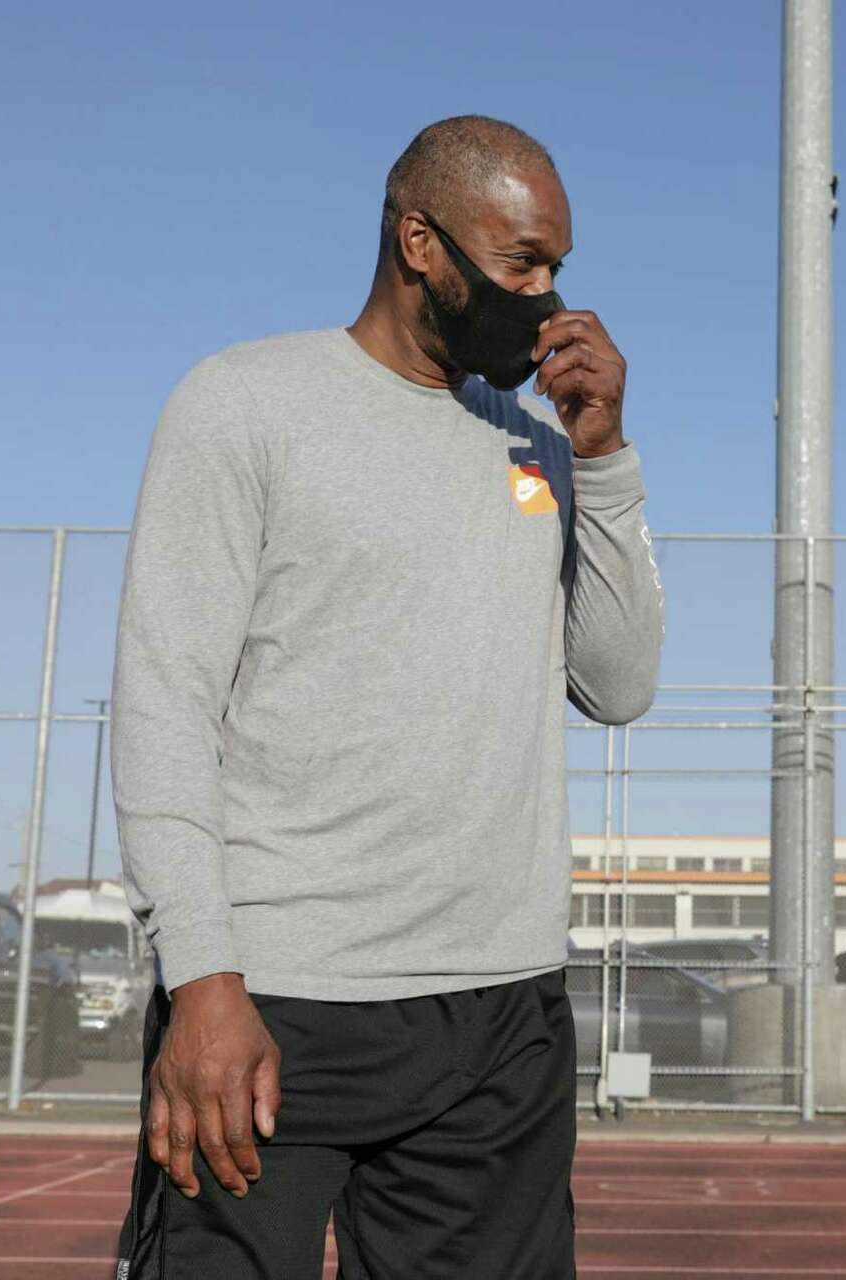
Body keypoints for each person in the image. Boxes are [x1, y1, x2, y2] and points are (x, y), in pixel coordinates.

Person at [110, 115, 663, 1278]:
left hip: (501, 1016)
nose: (551, 297)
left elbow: (618, 683)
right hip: (276, 1000)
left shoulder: (539, 451)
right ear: (421, 242)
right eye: (523, 263)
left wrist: (604, 457)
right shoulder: (243, 403)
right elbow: (165, 706)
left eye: (558, 265)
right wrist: (202, 976)